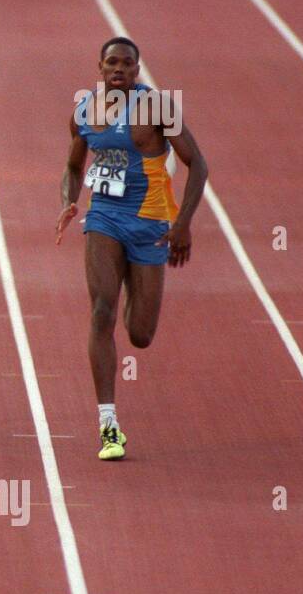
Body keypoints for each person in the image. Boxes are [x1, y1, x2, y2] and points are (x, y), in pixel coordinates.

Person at [55, 37, 208, 460]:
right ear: (100, 67)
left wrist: (183, 225)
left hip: (150, 225)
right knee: (101, 310)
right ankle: (109, 425)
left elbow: (198, 163)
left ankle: (131, 284)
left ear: (137, 70)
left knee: (140, 334)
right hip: (103, 217)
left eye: (127, 64)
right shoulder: (85, 110)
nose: (119, 69)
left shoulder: (156, 108)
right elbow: (72, 165)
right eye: (111, 63)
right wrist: (69, 200)